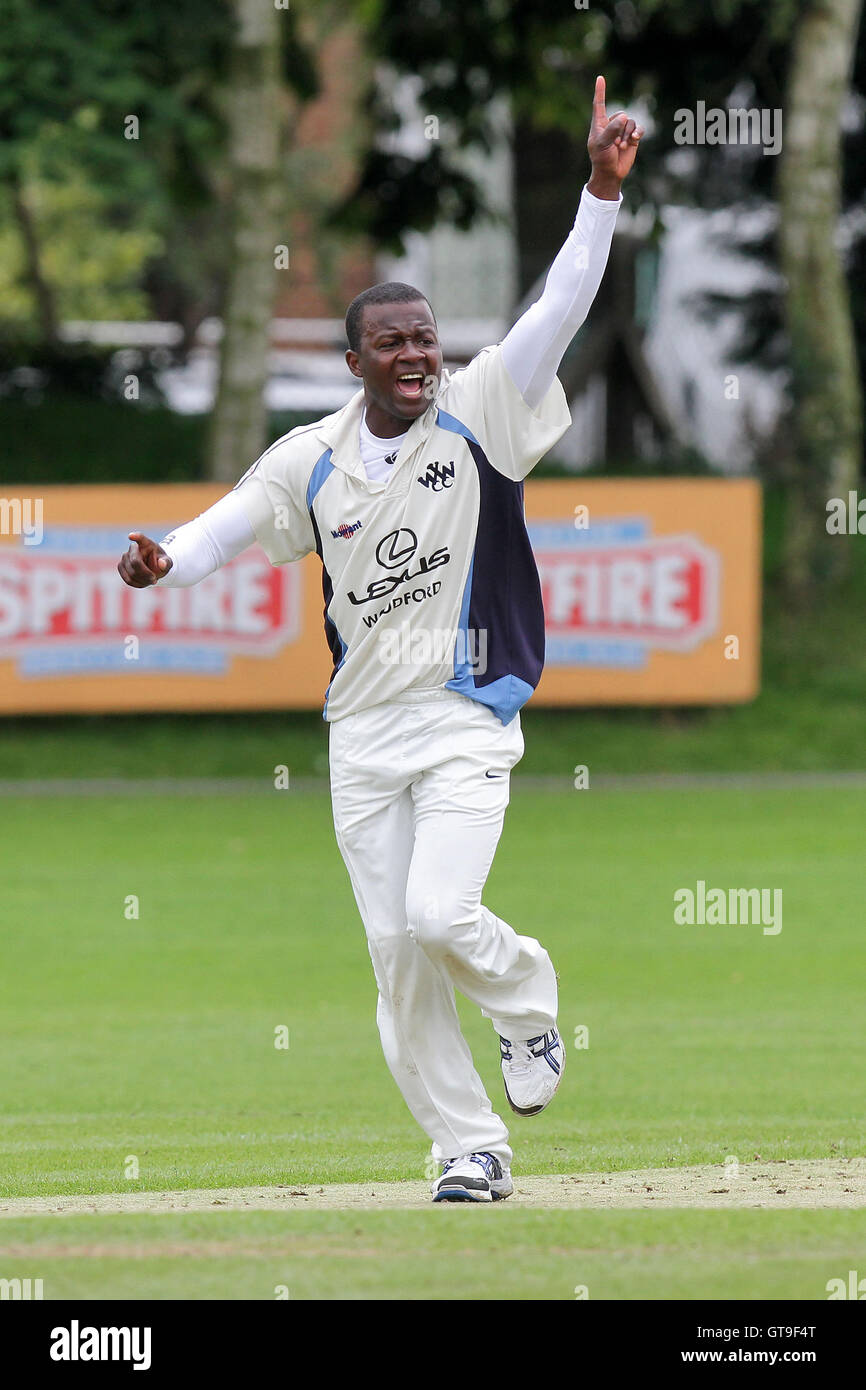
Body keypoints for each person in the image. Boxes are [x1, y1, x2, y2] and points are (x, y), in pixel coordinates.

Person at [118, 76, 643, 1203]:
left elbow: (556, 308)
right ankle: (467, 1147)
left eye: (426, 340)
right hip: (361, 732)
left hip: (461, 714)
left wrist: (599, 193)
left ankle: (527, 997)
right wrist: (164, 556)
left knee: (440, 915)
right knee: (396, 956)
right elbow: (221, 531)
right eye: (393, 344)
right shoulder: (310, 456)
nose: (417, 355)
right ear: (354, 361)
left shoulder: (483, 412)